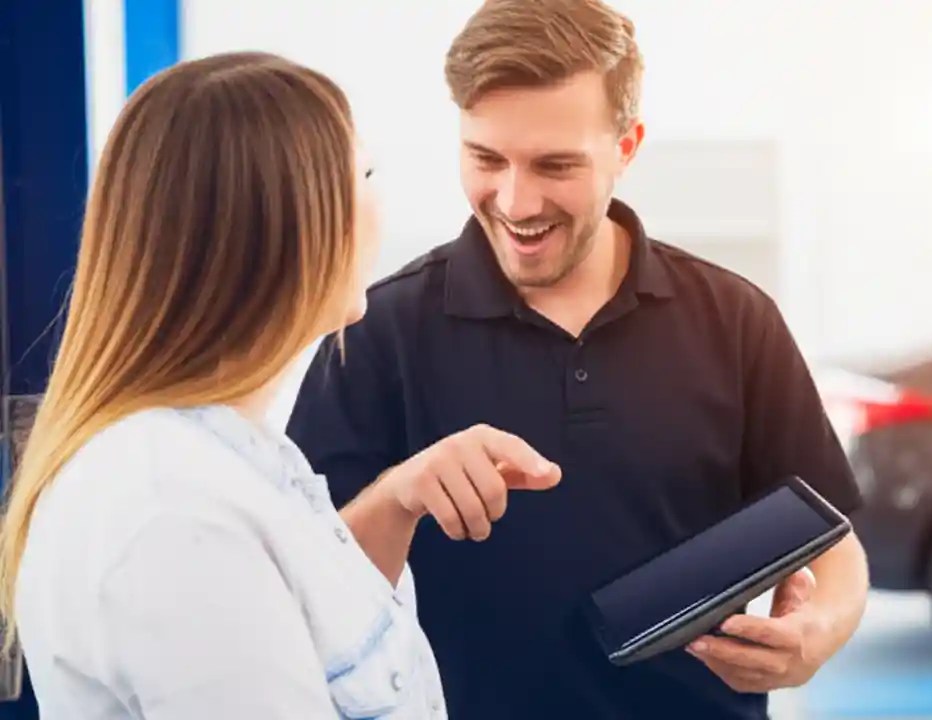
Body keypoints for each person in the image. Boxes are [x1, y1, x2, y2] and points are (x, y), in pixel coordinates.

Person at [286, 0, 869, 717]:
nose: (515, 200)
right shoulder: (377, 333)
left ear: (627, 147)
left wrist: (816, 633)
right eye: (486, 159)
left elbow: (832, 539)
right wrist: (399, 495)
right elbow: (305, 590)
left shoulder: (735, 319)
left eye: (555, 165)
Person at [0, 51, 560, 719]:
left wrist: (399, 500)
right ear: (289, 227)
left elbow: (310, 632)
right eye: (366, 172)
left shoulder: (219, 458)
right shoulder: (174, 517)